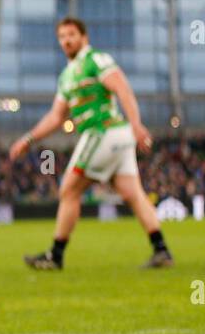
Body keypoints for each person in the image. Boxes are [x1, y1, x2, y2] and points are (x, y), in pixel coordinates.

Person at [10, 17, 173, 270]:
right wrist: (29, 138)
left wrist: (137, 124)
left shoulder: (96, 59)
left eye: (71, 34)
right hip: (117, 136)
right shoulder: (67, 76)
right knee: (133, 194)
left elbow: (122, 88)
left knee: (69, 190)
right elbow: (56, 116)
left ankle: (56, 255)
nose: (66, 40)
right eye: (62, 36)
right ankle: (161, 250)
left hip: (102, 132)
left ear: (84, 37)